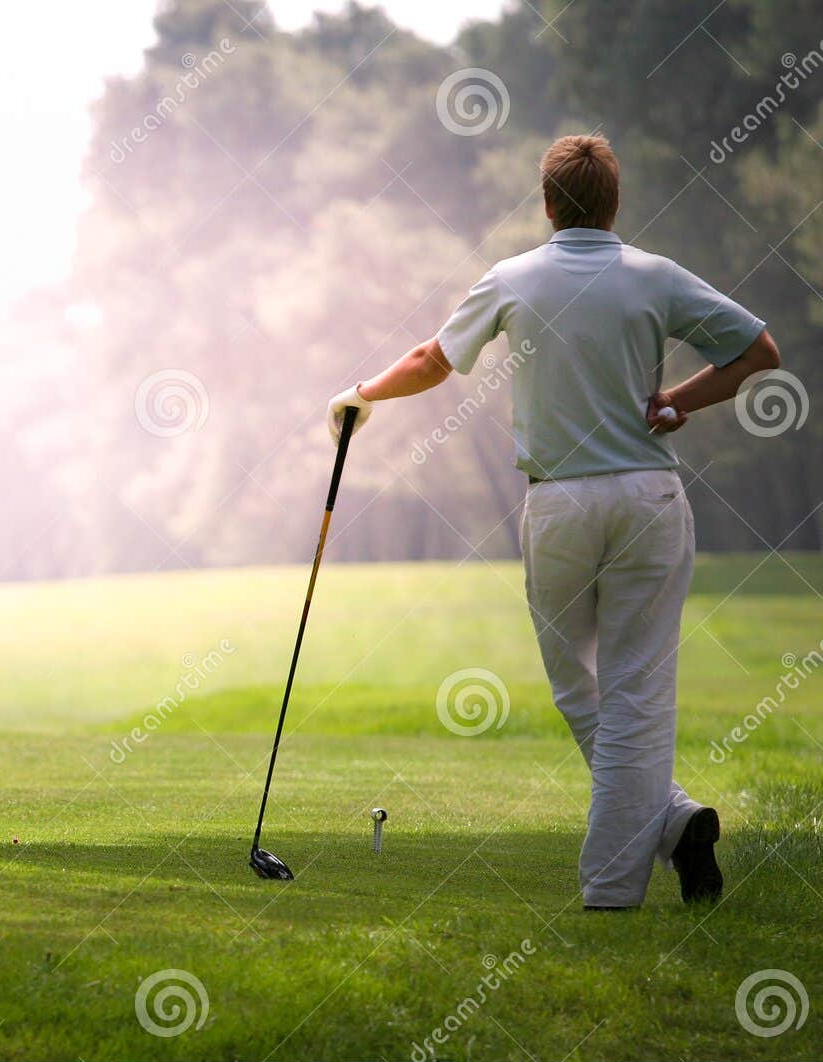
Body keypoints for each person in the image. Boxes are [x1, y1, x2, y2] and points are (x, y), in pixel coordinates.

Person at [327, 134, 781, 909]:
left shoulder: (512, 277)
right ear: (613, 203)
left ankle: (610, 890)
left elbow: (434, 358)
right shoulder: (654, 275)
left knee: (582, 690)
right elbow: (758, 350)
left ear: (546, 203)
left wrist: (359, 395)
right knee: (636, 690)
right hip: (649, 498)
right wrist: (677, 400)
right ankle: (674, 823)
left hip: (560, 502)